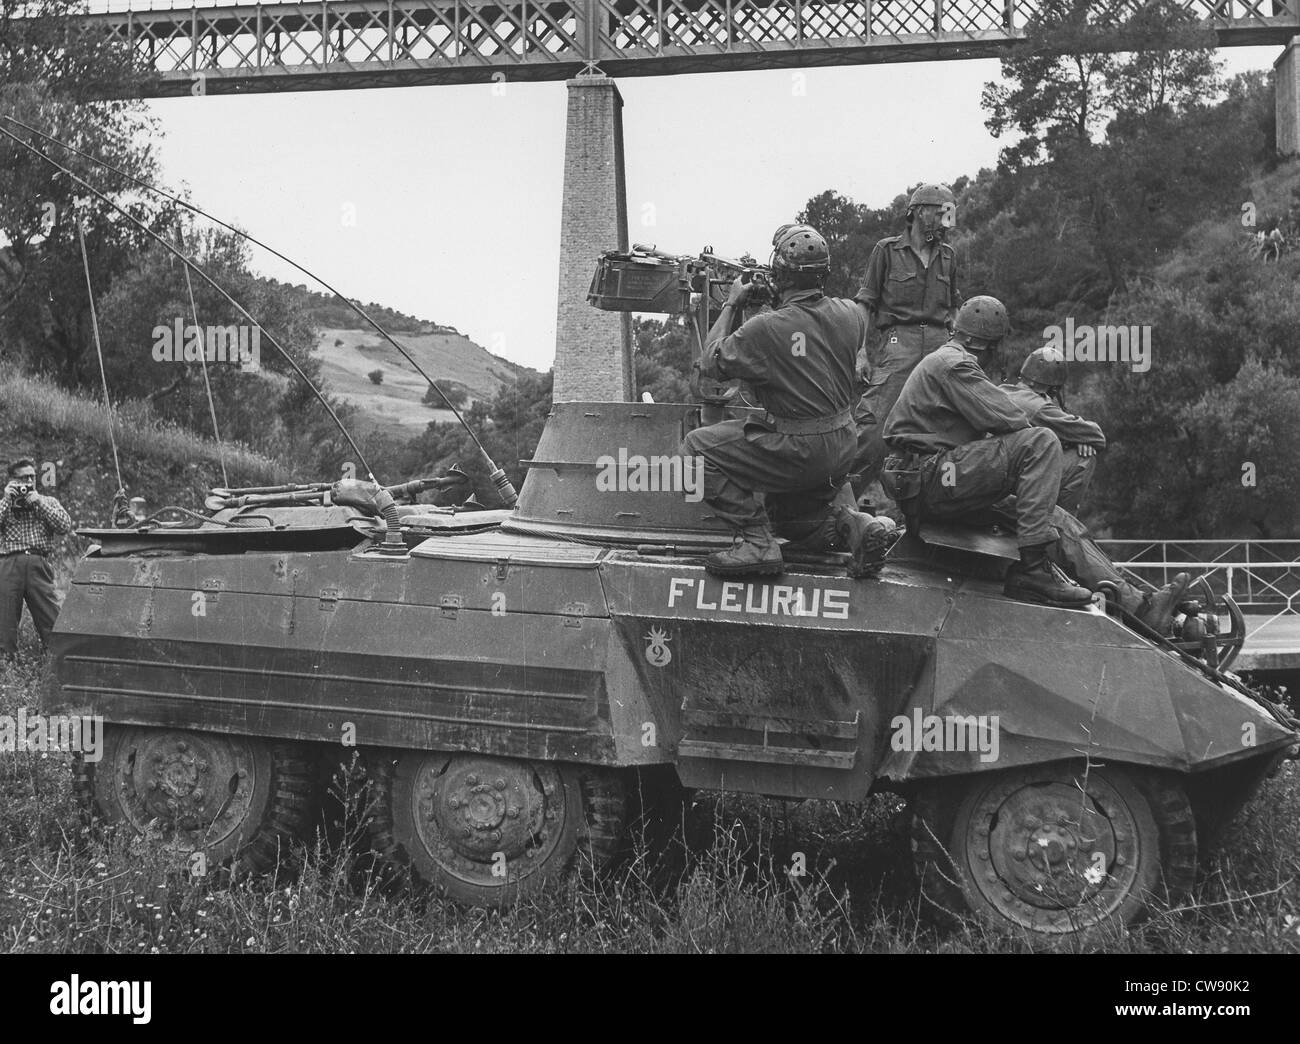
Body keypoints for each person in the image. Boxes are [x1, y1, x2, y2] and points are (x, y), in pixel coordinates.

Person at [882, 296, 1190, 626]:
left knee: (1054, 517)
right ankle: (1032, 570)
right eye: (995, 345)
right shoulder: (954, 364)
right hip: (931, 477)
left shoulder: (953, 361)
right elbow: (1008, 418)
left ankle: (1140, 607)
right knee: (1040, 442)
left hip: (944, 477)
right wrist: (1054, 440)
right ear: (983, 343)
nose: (997, 353)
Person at [683, 223, 896, 578]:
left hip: (799, 449)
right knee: (790, 518)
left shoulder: (765, 328)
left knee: (696, 449)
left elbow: (710, 364)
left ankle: (755, 542)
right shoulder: (850, 315)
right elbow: (806, 336)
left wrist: (734, 302)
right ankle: (853, 522)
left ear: (780, 272)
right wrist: (775, 305)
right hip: (841, 448)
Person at [850, 183, 961, 501]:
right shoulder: (886, 250)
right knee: (874, 433)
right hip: (899, 343)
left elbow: (954, 308)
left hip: (942, 347)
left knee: (946, 436)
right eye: (941, 213)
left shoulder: (949, 256)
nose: (945, 221)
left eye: (948, 215)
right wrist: (860, 352)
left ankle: (936, 518)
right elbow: (865, 304)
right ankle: (838, 507)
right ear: (918, 213)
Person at [999, 346, 1106, 514]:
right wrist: (1079, 439)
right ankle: (1063, 523)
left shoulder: (1003, 391)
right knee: (1084, 456)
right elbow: (1097, 436)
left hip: (997, 473)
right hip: (1016, 482)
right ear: (1054, 388)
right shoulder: (1038, 407)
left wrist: (1074, 439)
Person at [0, 457, 73, 659]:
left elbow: (64, 526)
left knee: (51, 618)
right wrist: (7, 500)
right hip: (9, 564)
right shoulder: (4, 504)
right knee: (4, 623)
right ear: (12, 481)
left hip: (37, 563)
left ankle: (58, 663)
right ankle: (7, 669)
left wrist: (39, 502)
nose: (29, 482)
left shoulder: (48, 501)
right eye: (23, 478)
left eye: (32, 477)